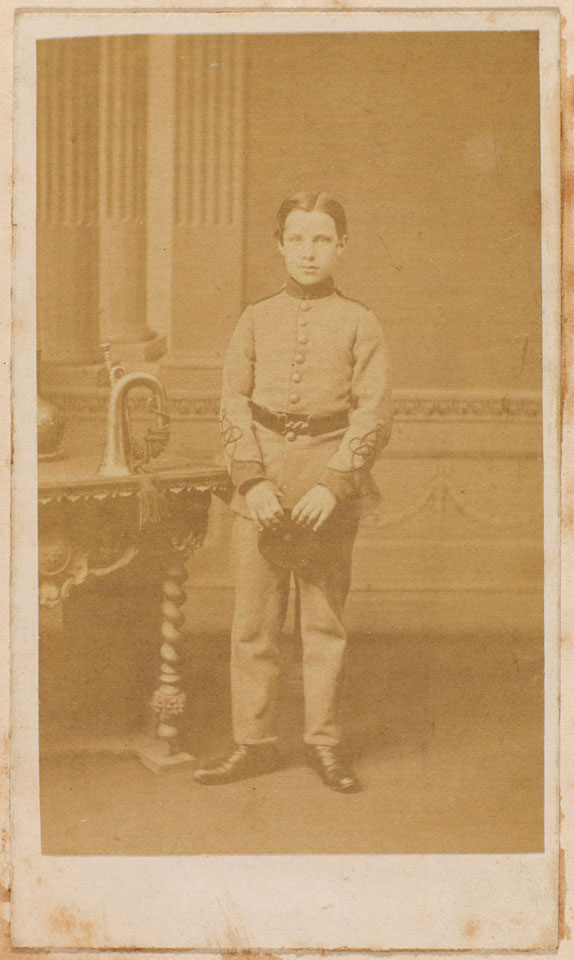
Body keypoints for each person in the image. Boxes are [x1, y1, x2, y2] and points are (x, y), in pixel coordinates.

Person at [194, 192, 392, 792]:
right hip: (260, 476)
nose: (309, 252)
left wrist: (335, 483)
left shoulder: (361, 321)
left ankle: (323, 743)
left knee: (324, 621)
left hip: (327, 476)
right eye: (298, 239)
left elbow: (374, 413)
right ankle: (252, 743)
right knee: (253, 622)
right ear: (279, 245)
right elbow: (232, 400)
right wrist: (250, 479)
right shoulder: (254, 318)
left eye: (322, 239)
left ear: (341, 247)